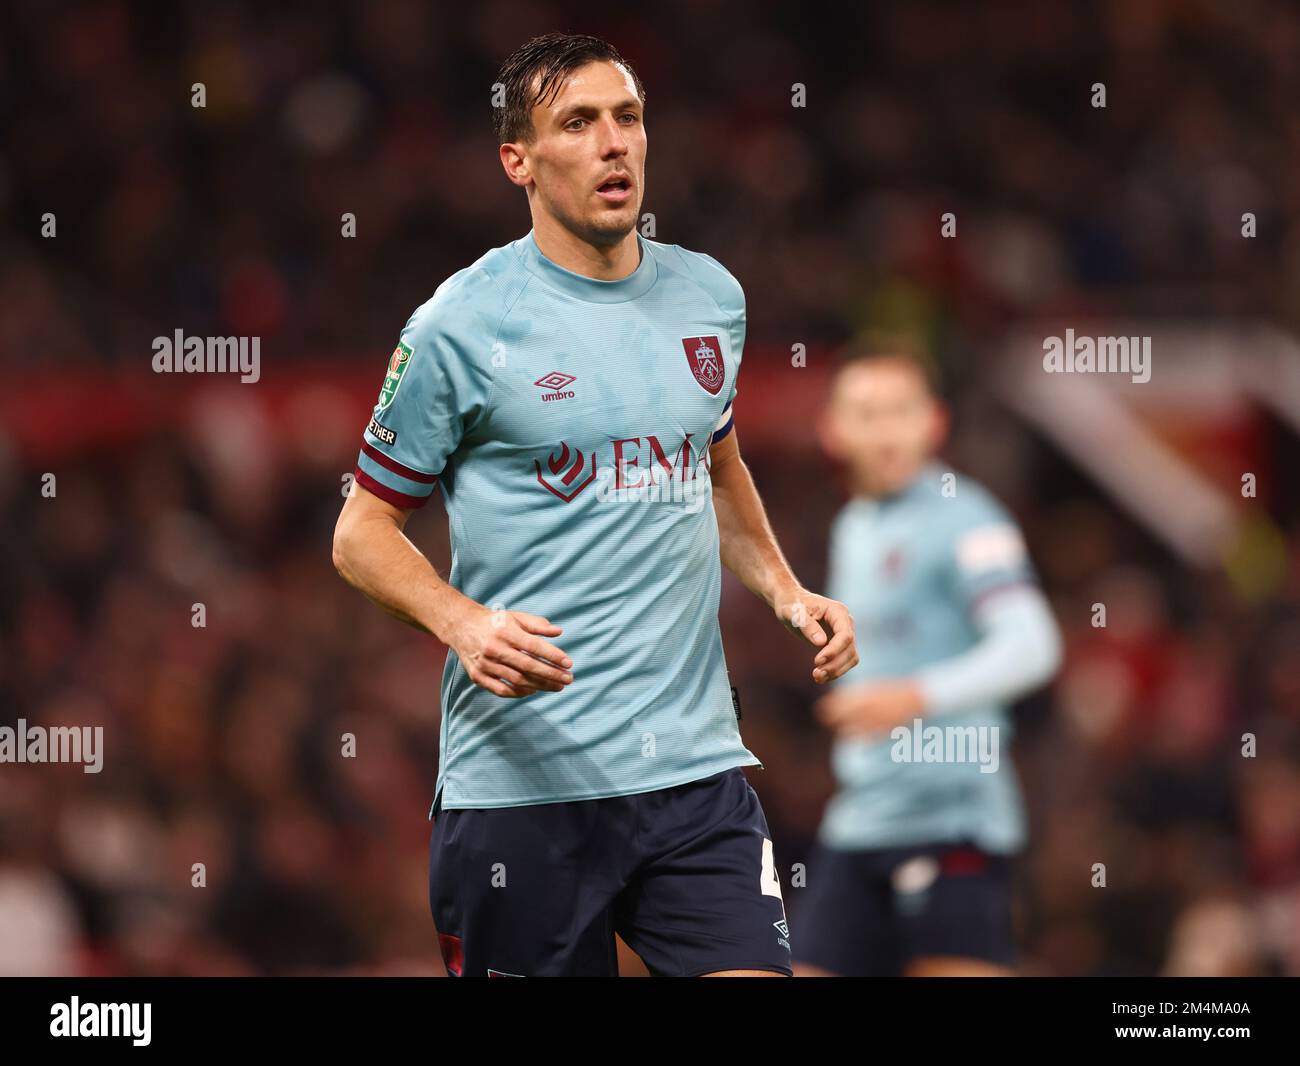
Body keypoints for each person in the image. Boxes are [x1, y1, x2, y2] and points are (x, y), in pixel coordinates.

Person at [331, 32, 857, 977]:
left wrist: (786, 593)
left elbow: (717, 463)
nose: (614, 142)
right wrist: (464, 624)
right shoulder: (460, 324)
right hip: (522, 790)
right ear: (518, 162)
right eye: (578, 123)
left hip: (695, 779)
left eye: (628, 117)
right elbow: (360, 532)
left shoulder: (711, 297)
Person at [794, 346, 1062, 977]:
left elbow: (1033, 643)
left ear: (933, 422)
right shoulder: (853, 526)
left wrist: (913, 697)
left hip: (952, 821)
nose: (885, 431)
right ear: (832, 428)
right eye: (865, 413)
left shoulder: (968, 519)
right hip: (862, 819)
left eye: (900, 412)